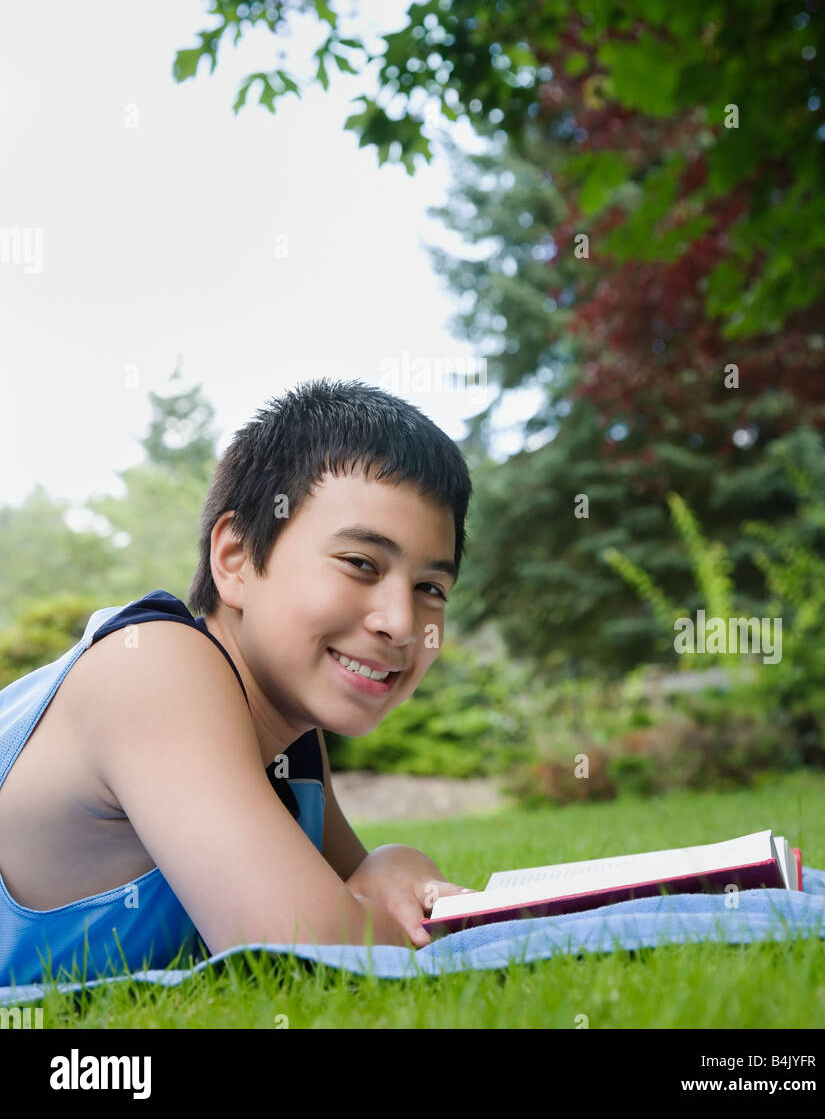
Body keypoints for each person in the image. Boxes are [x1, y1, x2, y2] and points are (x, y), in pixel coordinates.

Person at [0, 378, 475, 987]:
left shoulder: (290, 740)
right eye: (361, 564)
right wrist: (385, 896)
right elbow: (319, 956)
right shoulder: (154, 669)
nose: (401, 623)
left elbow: (357, 899)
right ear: (237, 558)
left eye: (430, 588)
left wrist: (395, 865)